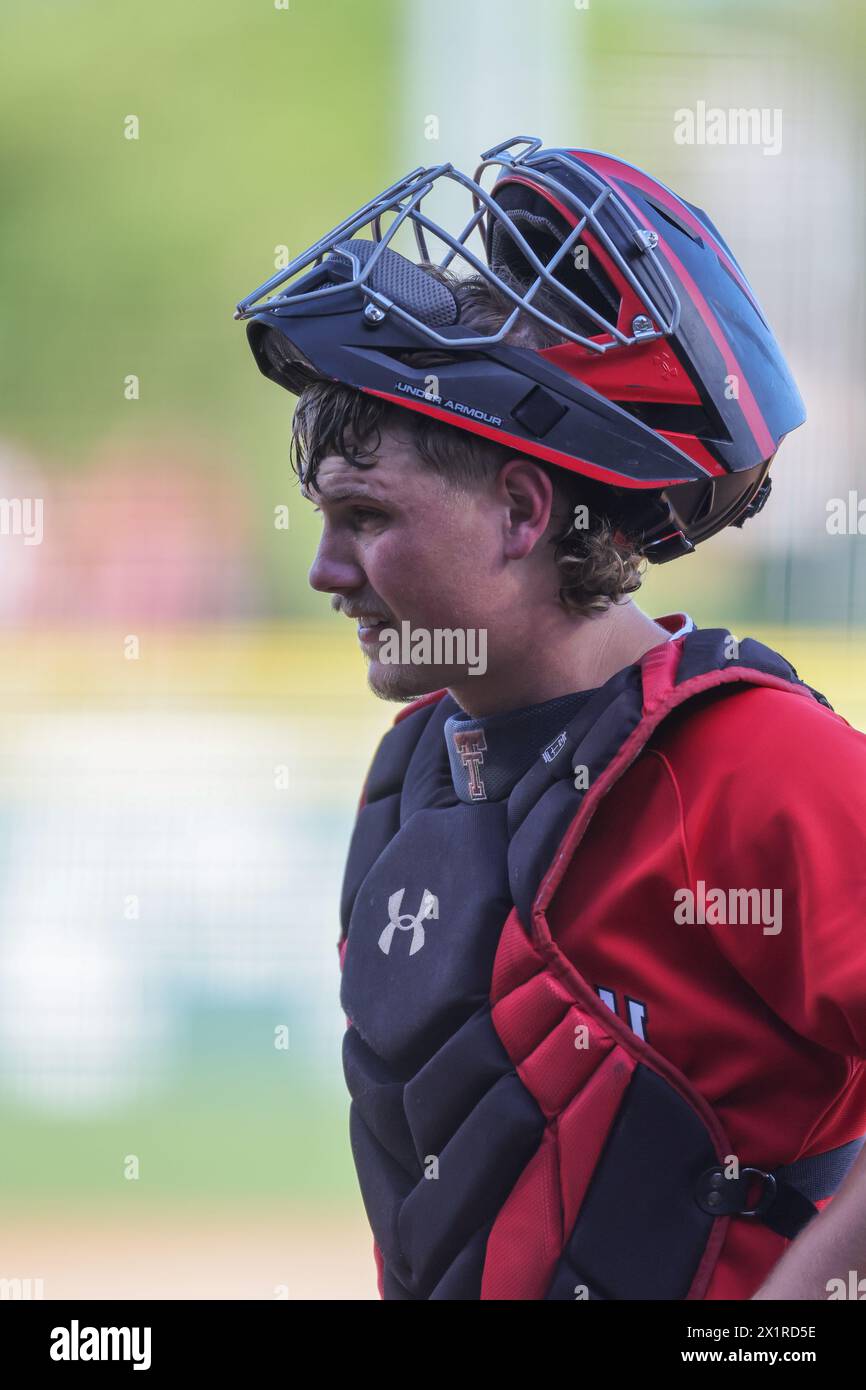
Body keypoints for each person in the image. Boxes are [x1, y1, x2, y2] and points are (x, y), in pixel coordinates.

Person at [234, 137, 866, 1300]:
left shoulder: (752, 759)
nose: (327, 571)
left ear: (522, 510)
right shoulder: (414, 771)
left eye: (367, 516)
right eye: (321, 518)